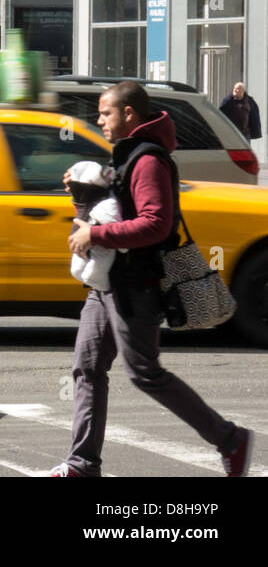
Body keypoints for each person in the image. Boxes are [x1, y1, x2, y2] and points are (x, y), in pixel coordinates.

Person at [53, 80, 254, 477]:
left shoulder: (148, 160)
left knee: (145, 372)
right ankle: (81, 463)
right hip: (108, 282)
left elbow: (155, 225)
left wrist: (94, 234)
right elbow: (115, 207)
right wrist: (79, 192)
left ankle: (230, 439)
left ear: (129, 114)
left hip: (136, 286)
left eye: (105, 113)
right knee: (87, 368)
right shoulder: (128, 154)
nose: (99, 120)